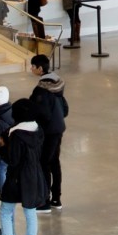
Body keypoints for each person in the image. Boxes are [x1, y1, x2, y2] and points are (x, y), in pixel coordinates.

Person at [0, 97, 48, 235]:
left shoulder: (16, 134)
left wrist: (3, 147)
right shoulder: (38, 130)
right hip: (34, 176)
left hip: (17, 177)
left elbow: (13, 159)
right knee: (30, 211)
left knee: (5, 211)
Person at [31, 58, 68, 211]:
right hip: (58, 128)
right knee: (54, 162)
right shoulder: (57, 83)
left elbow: (41, 112)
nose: (31, 69)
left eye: (33, 66)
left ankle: (44, 200)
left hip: (48, 131)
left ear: (40, 68)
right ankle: (56, 199)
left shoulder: (42, 89)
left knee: (43, 162)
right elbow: (64, 108)